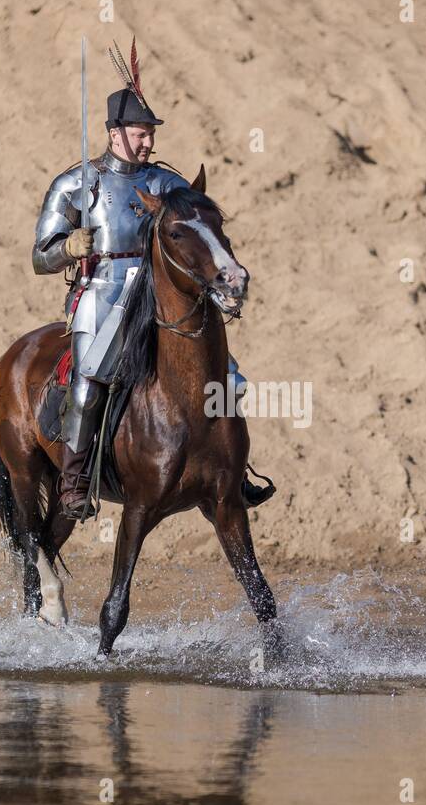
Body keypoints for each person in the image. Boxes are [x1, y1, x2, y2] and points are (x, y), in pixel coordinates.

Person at [31, 49, 274, 518]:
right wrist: (69, 249)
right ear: (115, 133)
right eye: (141, 134)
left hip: (160, 293)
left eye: (152, 135)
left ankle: (231, 470)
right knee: (91, 376)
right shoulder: (77, 184)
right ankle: (75, 481)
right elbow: (40, 255)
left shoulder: (167, 183)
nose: (148, 143)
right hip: (102, 294)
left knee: (223, 375)